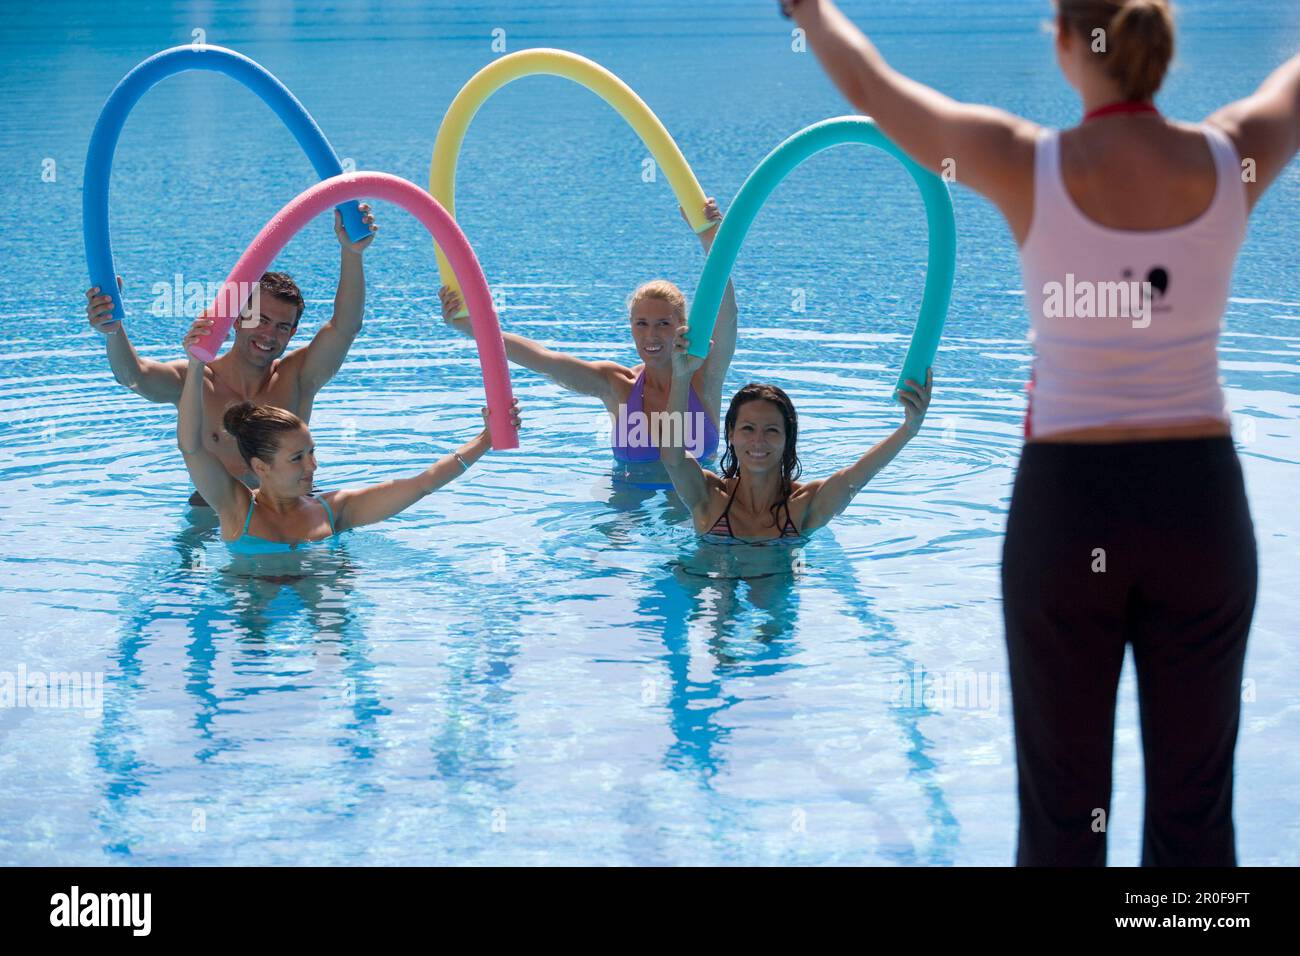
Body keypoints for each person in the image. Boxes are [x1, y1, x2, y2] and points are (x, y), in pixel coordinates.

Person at [784, 0, 1300, 865]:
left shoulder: (1025, 162)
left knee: (1062, 816)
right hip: (1198, 507)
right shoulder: (1233, 152)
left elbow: (871, 86)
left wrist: (809, 8)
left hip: (1071, 508)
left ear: (1068, 43)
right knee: (1195, 815)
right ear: (1161, 50)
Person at [85, 205, 379, 504]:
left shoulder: (298, 377)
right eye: (260, 320)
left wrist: (352, 254)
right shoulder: (194, 379)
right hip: (214, 515)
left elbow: (345, 327)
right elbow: (131, 376)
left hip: (289, 508)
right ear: (237, 318)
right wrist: (113, 330)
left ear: (291, 334)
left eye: (281, 327)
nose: (268, 335)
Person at [177, 315, 522, 555]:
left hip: (319, 591)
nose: (312, 466)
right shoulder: (235, 507)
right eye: (297, 458)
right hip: (252, 606)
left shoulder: (335, 510)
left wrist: (485, 440)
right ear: (261, 466)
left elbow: (423, 483)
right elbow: (190, 447)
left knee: (333, 598)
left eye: (311, 452)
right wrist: (196, 365)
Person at [439, 199, 737, 463]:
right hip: (626, 512)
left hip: (696, 511)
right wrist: (469, 326)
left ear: (680, 326)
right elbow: (543, 359)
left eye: (663, 324)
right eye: (641, 324)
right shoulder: (616, 385)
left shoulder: (704, 377)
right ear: (631, 328)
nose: (652, 336)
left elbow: (727, 313)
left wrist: (711, 237)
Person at [662, 323, 931, 541]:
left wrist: (909, 428)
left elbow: (855, 477)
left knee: (770, 596)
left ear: (788, 438)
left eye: (771, 430)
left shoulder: (804, 505)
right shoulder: (709, 496)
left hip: (777, 589)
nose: (758, 440)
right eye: (748, 428)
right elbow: (673, 457)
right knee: (719, 595)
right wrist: (681, 376)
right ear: (730, 434)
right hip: (708, 582)